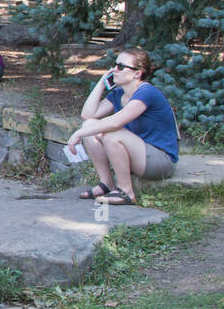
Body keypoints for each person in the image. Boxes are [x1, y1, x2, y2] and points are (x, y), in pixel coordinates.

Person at [67, 47, 179, 206]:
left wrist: (78, 133)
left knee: (112, 134)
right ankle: (106, 183)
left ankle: (126, 191)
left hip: (160, 161)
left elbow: (115, 122)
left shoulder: (146, 93)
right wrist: (101, 83)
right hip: (138, 154)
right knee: (89, 125)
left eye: (120, 66)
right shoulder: (118, 94)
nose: (114, 70)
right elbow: (88, 114)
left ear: (137, 73)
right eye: (114, 65)